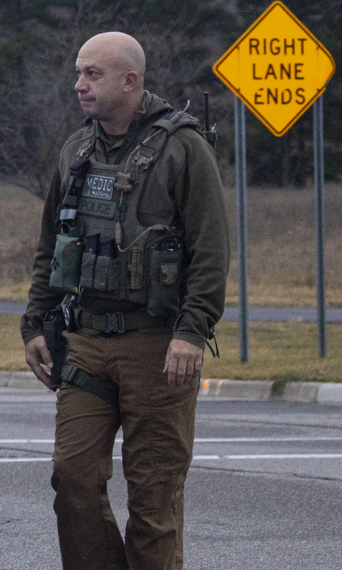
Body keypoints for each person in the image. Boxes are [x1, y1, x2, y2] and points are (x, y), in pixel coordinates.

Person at [21, 31, 229, 570]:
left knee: (153, 499)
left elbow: (211, 250)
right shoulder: (76, 150)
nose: (79, 85)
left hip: (158, 348)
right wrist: (35, 326)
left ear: (130, 81)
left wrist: (191, 330)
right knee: (72, 478)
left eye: (93, 74)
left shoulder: (184, 149)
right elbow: (52, 243)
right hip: (85, 342)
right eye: (79, 72)